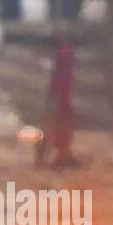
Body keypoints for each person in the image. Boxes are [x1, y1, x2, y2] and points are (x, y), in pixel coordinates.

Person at [36, 33, 76, 168]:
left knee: (54, 127)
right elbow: (62, 79)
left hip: (60, 97)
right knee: (55, 127)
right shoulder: (64, 54)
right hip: (61, 98)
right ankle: (55, 156)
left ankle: (54, 156)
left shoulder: (63, 54)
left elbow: (60, 79)